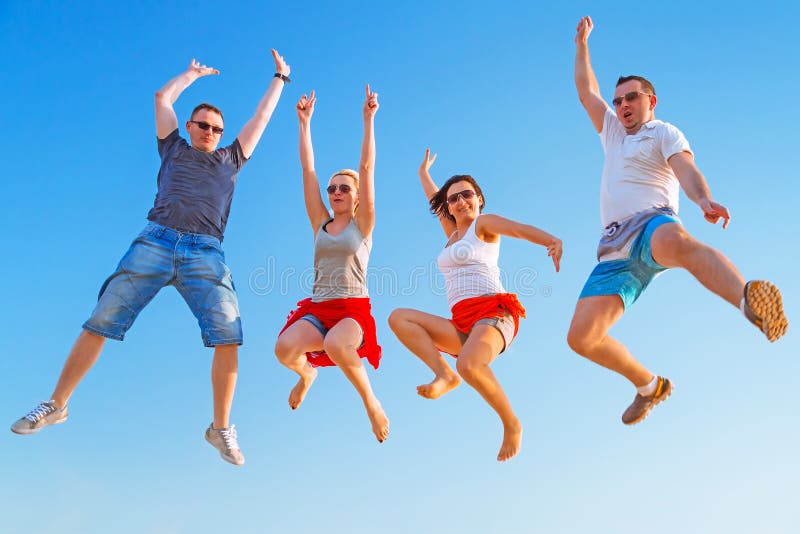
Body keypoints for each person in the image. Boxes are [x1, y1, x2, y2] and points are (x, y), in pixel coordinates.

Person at [11, 50, 292, 466]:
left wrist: (280, 79)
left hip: (205, 251)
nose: (211, 132)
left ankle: (220, 429)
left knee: (229, 333)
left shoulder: (231, 158)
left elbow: (261, 118)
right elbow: (162, 98)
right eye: (204, 125)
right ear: (190, 126)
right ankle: (57, 404)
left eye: (217, 128)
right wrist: (191, 75)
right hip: (155, 242)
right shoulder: (173, 147)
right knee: (101, 319)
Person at [569, 16, 789, 426]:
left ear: (651, 101)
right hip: (613, 252)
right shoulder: (613, 133)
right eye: (618, 102)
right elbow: (586, 92)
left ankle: (749, 302)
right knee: (581, 338)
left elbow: (686, 169)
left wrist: (703, 198)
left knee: (678, 245)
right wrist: (581, 44)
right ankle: (649, 386)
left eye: (631, 98)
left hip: (652, 223)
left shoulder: (663, 133)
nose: (622, 107)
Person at [388, 149, 562, 462]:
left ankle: (512, 423)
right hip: (462, 322)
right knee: (399, 318)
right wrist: (423, 174)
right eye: (453, 199)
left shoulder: (484, 224)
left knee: (469, 365)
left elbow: (519, 229)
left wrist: (551, 240)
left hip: (493, 314)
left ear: (479, 198)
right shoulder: (453, 234)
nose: (460, 202)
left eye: (467, 194)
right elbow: (435, 199)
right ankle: (445, 375)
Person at [274, 86, 389, 443]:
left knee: (340, 346)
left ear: (356, 198)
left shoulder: (363, 225)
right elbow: (308, 171)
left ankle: (371, 404)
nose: (336, 192)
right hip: (319, 308)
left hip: (352, 310)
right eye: (333, 189)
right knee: (284, 350)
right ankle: (307, 375)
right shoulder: (320, 224)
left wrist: (368, 120)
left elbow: (366, 168)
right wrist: (303, 123)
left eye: (344, 189)